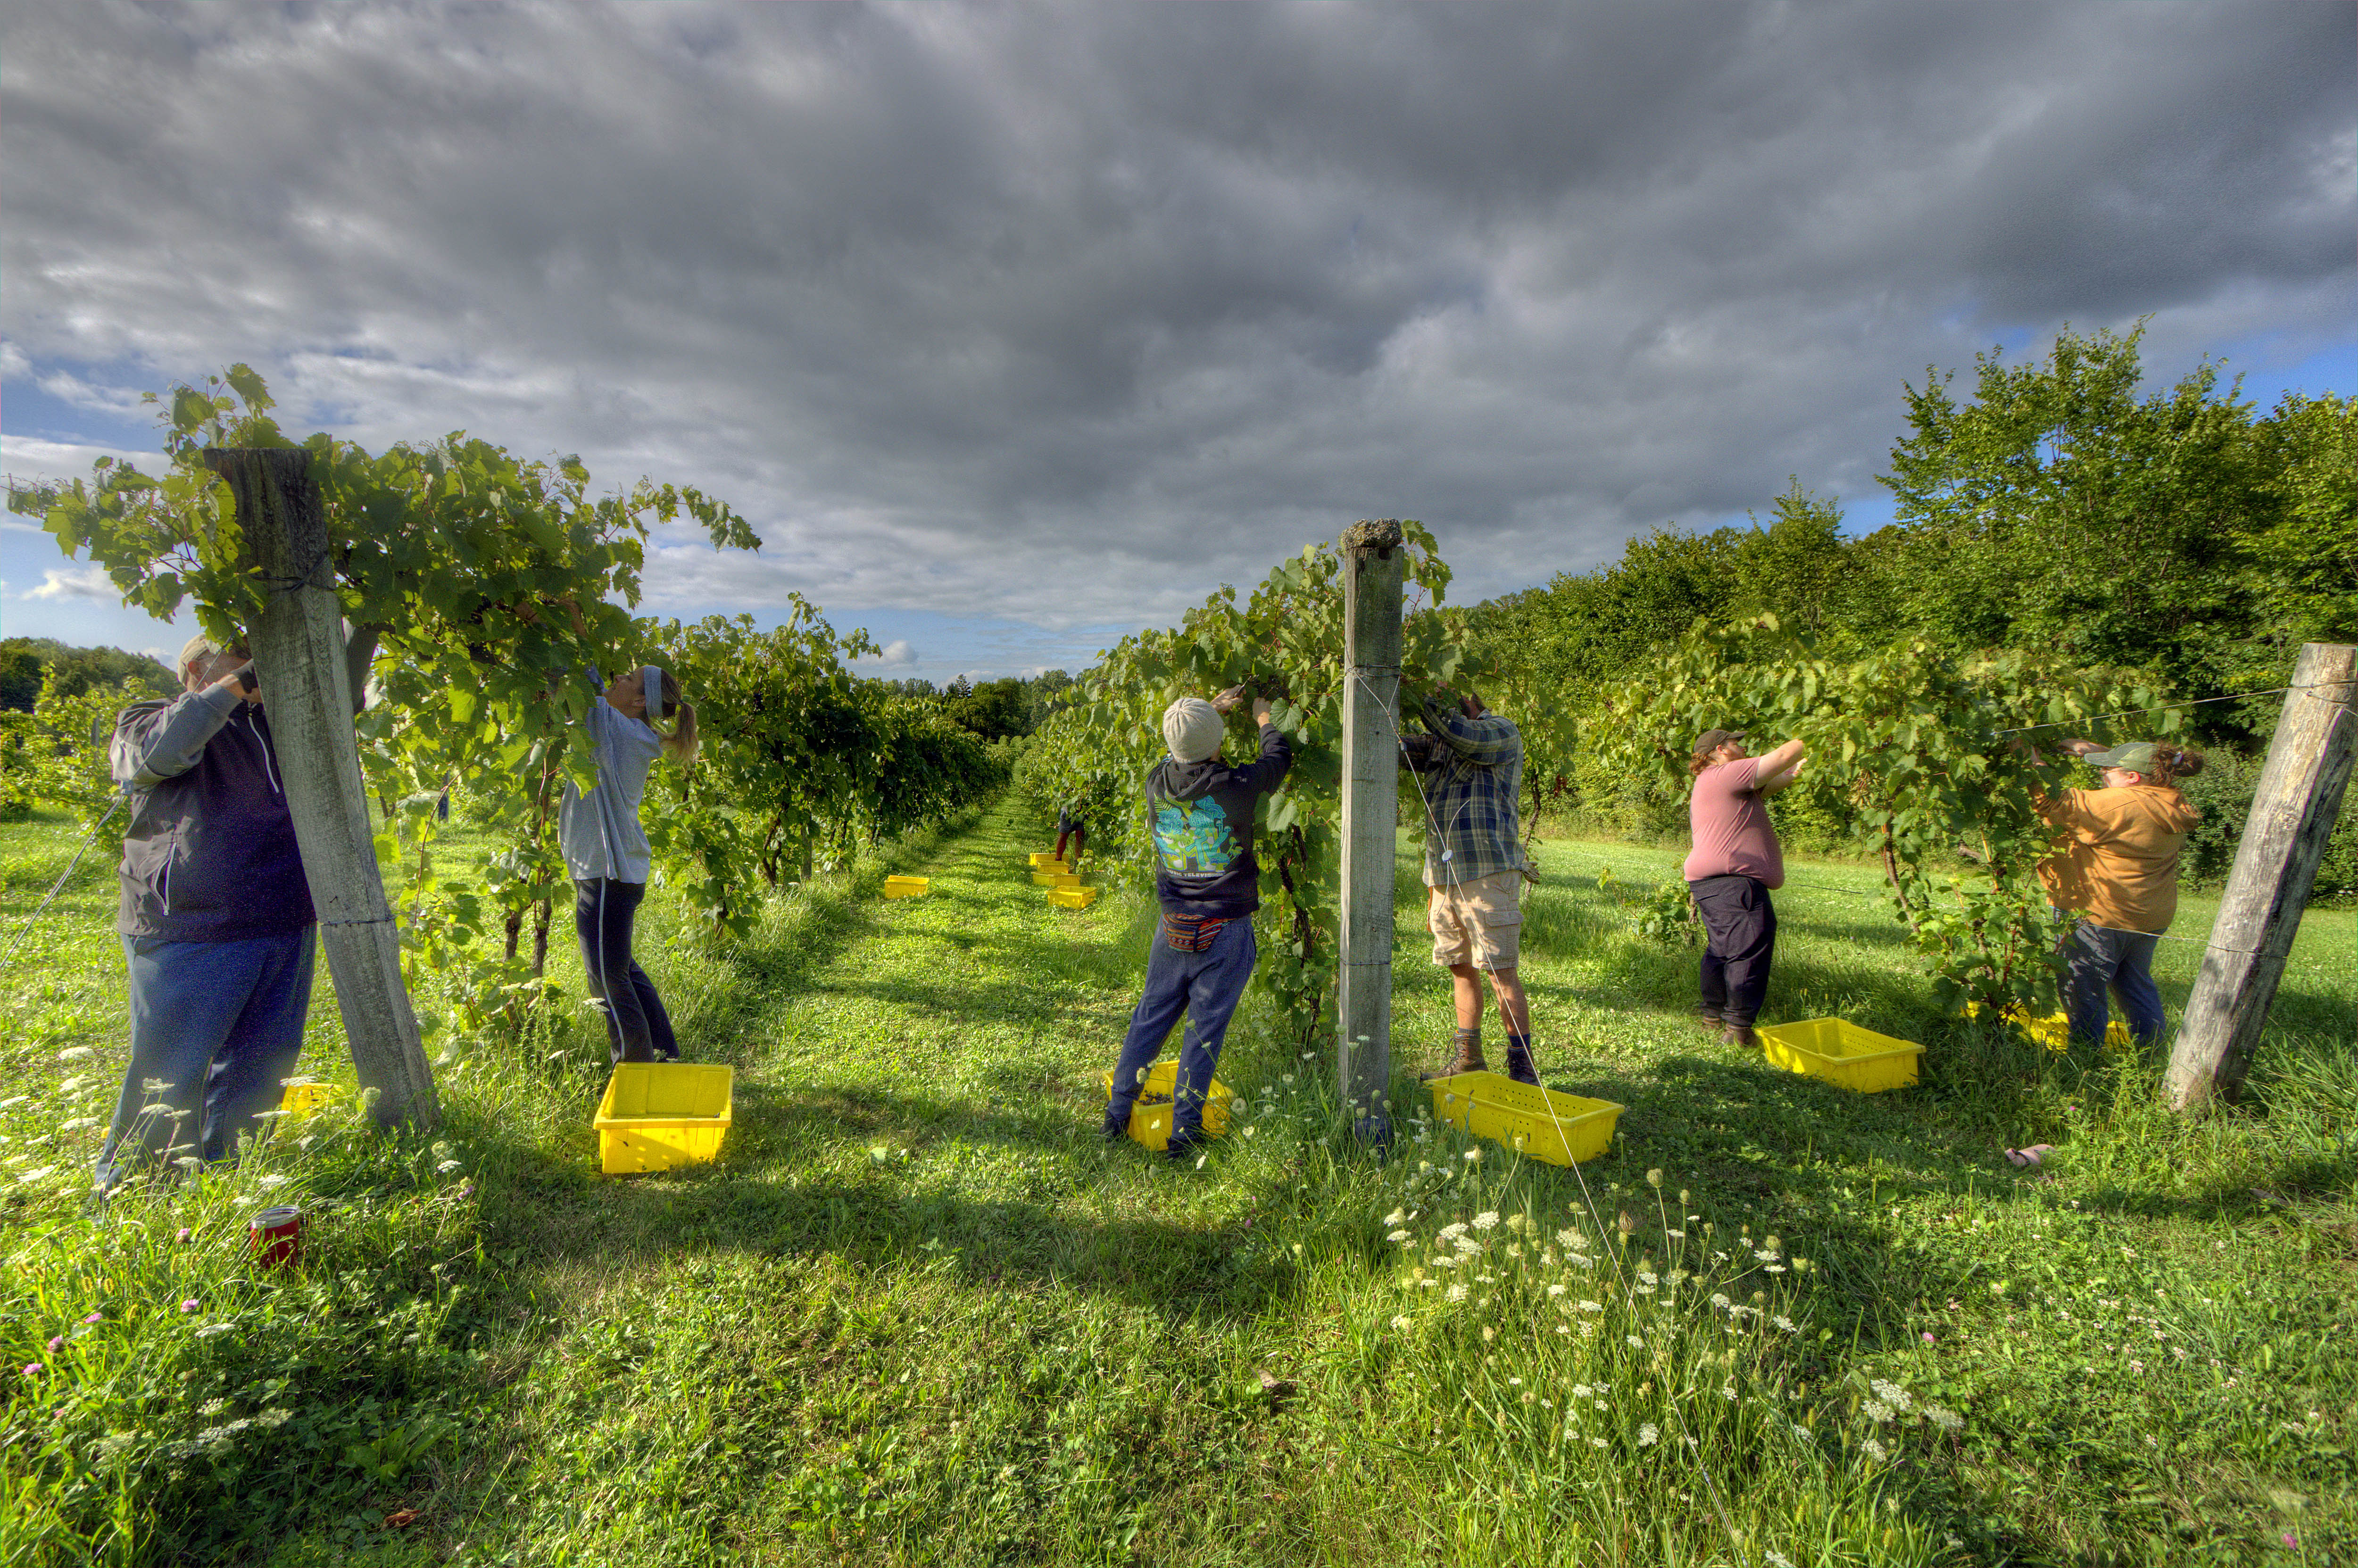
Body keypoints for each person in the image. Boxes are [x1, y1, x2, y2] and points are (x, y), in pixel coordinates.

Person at [93, 635, 322, 1191]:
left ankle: (229, 1179)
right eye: (242, 653)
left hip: (285, 917)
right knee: (170, 1073)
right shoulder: (147, 718)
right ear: (198, 666)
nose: (259, 662)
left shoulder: (277, 725)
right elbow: (156, 755)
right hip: (194, 924)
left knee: (263, 1064)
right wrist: (242, 681)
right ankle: (136, 1194)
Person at [1104, 685, 1291, 1159]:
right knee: (1203, 1034)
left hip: (1172, 926)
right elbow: (1278, 758)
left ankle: (1116, 1116)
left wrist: (1207, 710)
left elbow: (1178, 748)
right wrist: (1263, 717)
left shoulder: (1156, 783)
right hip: (1224, 930)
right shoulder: (1237, 785)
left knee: (1148, 1019)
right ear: (1217, 740)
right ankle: (1184, 1136)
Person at [560, 664, 700, 1066]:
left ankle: (635, 1072)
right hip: (612, 875)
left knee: (607, 980)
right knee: (621, 970)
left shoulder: (618, 730)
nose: (618, 677)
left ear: (640, 700)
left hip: (607, 875)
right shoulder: (630, 733)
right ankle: (665, 1059)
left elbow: (585, 686)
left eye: (629, 679)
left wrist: (573, 632)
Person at [1401, 685, 1540, 1084]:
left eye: (1450, 693)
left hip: (1487, 871)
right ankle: (1469, 1060)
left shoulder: (1500, 731)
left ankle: (1523, 1070)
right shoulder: (1439, 742)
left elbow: (1461, 734)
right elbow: (1393, 746)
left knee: (1500, 971)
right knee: (1461, 968)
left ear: (1470, 698)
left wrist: (1428, 698)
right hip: (1445, 876)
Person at [2032, 738, 2203, 1050]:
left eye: (2107, 771)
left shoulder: (2121, 803)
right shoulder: (2170, 802)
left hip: (2100, 914)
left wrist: (2030, 760)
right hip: (2147, 915)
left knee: (2082, 986)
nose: (2102, 776)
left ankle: (2085, 1058)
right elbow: (2142, 767)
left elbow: (2053, 804)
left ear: (2133, 777)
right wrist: (2100, 753)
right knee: (2134, 984)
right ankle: (2152, 1053)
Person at [1684, 728, 1806, 1049]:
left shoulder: (1713, 782)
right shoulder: (1725, 773)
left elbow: (1777, 778)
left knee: (1722, 950)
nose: (1744, 747)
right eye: (1737, 743)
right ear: (1721, 749)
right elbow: (1782, 756)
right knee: (1748, 950)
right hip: (1733, 882)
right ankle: (1738, 1031)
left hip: (1712, 882)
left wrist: (1796, 771)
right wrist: (1819, 735)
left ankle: (1712, 1018)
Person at [1053, 800, 1088, 870]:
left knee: (1080, 838)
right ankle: (1058, 860)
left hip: (1082, 812)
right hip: (1067, 813)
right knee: (1063, 836)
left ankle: (1078, 864)